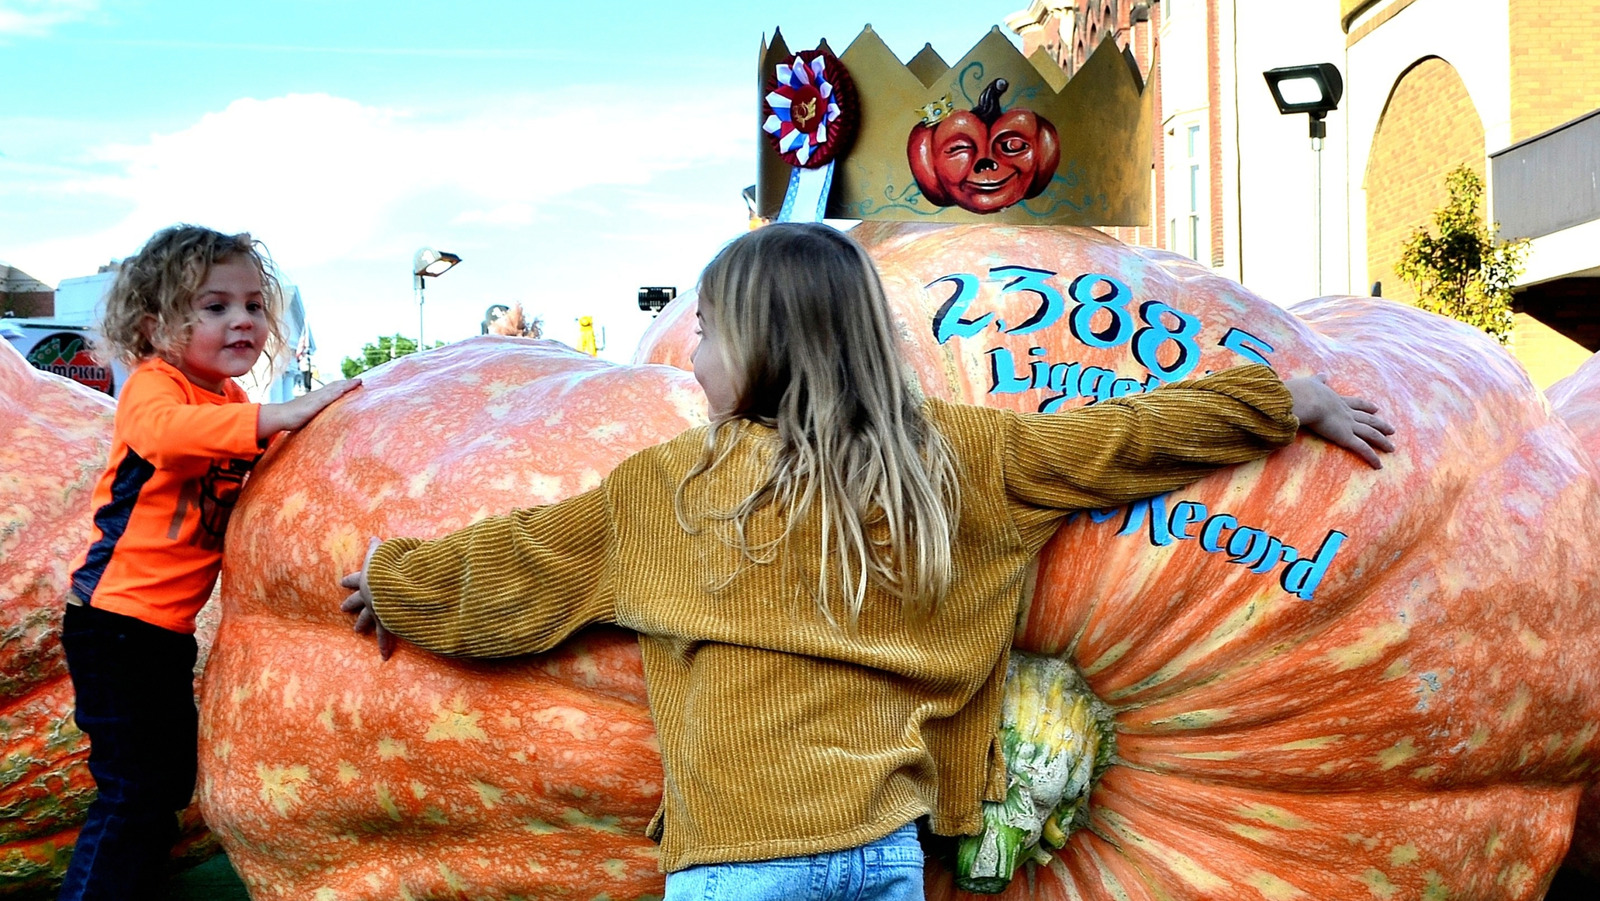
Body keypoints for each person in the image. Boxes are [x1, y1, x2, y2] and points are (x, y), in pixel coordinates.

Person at [339, 222, 1393, 901]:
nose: (692, 354)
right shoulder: (967, 460)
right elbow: (1122, 439)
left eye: (704, 331)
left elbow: (522, 570)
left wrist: (395, 586)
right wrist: (1280, 399)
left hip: (738, 860)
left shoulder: (671, 489)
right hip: (882, 851)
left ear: (753, 345)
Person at [60, 225, 360, 901]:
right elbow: (166, 439)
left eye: (254, 305)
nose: (243, 321)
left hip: (160, 633)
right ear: (156, 324)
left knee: (161, 786)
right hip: (113, 626)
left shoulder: (230, 404)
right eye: (215, 306)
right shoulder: (154, 386)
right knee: (134, 791)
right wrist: (280, 414)